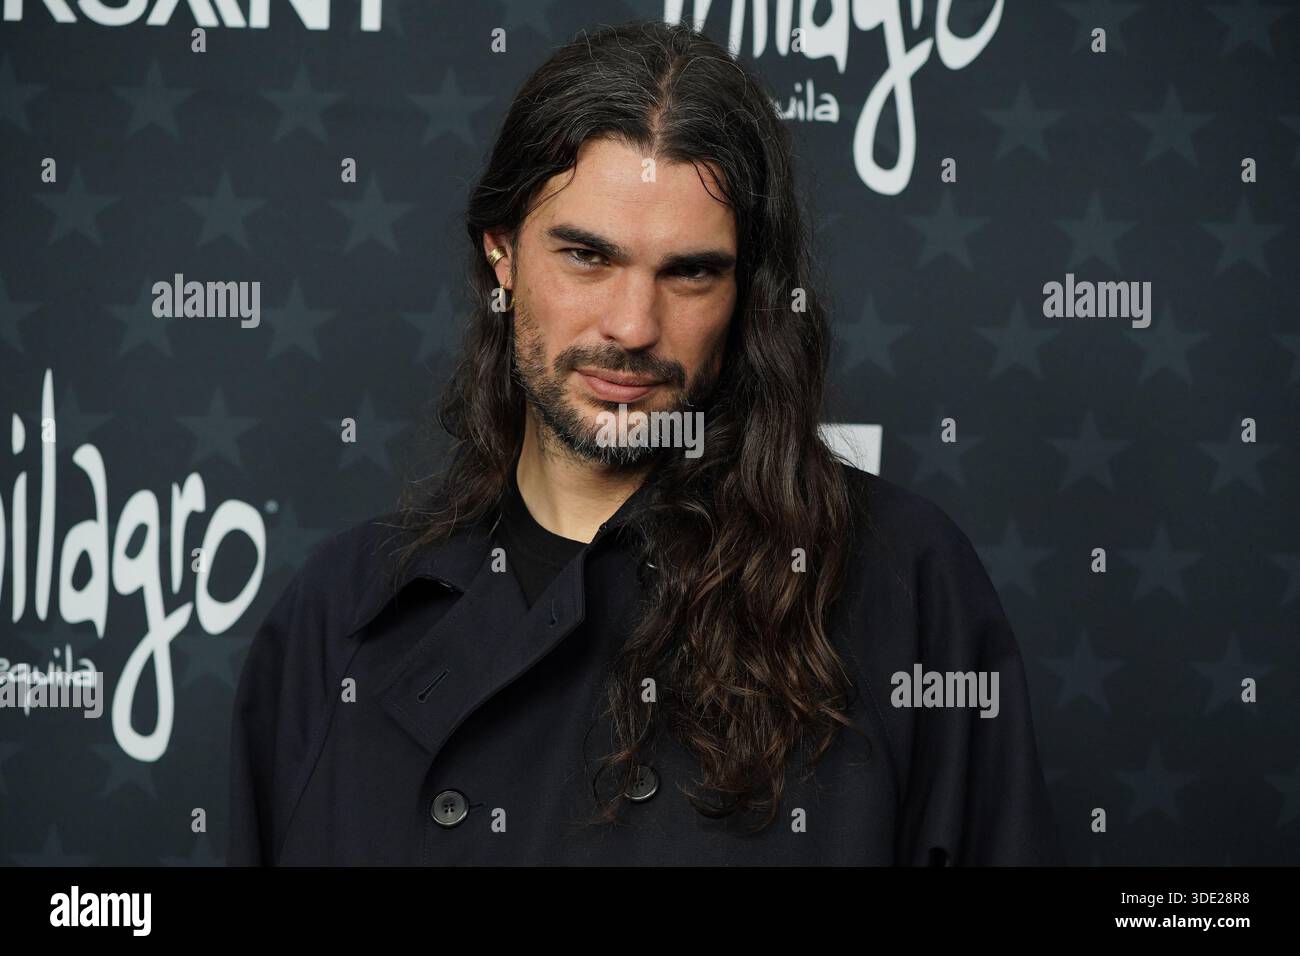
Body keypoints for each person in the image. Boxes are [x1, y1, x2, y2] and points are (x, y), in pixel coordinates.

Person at [226, 18, 1062, 866]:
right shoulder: (340, 618)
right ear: (502, 253)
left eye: (690, 272)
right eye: (587, 256)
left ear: (748, 292)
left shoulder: (899, 585)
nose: (633, 326)